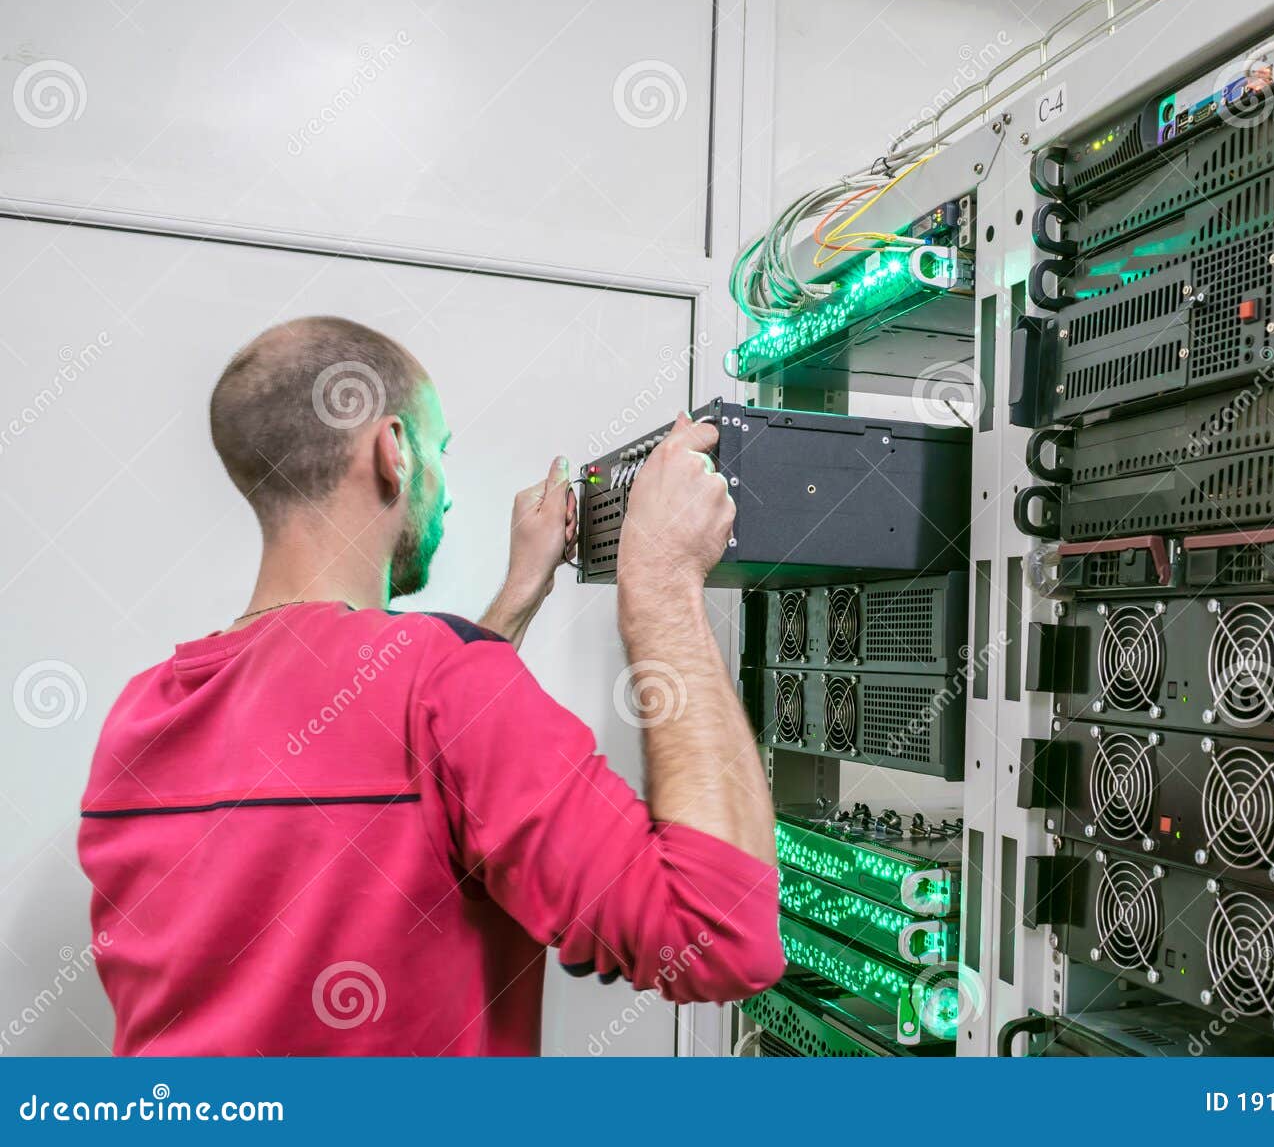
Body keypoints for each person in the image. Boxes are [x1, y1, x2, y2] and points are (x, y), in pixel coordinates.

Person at [77, 316, 782, 1055]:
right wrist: (662, 578)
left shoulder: (139, 717)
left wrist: (518, 595)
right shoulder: (443, 682)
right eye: (438, 450)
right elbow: (717, 937)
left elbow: (399, 761)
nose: (445, 493)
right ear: (394, 451)